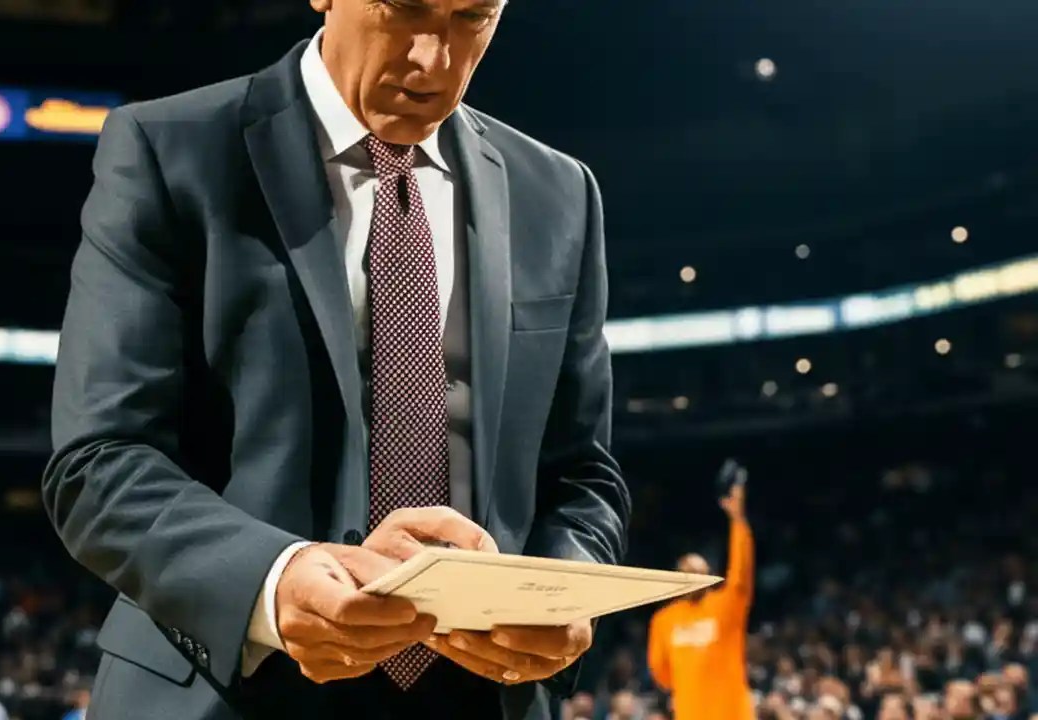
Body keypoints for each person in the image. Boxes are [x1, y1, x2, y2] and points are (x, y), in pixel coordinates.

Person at [42, 0, 630, 718]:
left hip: (481, 698)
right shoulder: (171, 148)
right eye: (406, 9)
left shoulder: (561, 194)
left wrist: (561, 591)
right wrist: (272, 580)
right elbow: (98, 460)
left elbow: (584, 475)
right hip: (232, 687)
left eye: (472, 17)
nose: (433, 62)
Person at [647, 484, 753, 720]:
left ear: (709, 576)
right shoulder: (664, 620)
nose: (694, 575)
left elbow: (741, 575)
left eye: (698, 571)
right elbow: (661, 672)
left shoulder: (725, 605)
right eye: (687, 571)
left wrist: (738, 520)